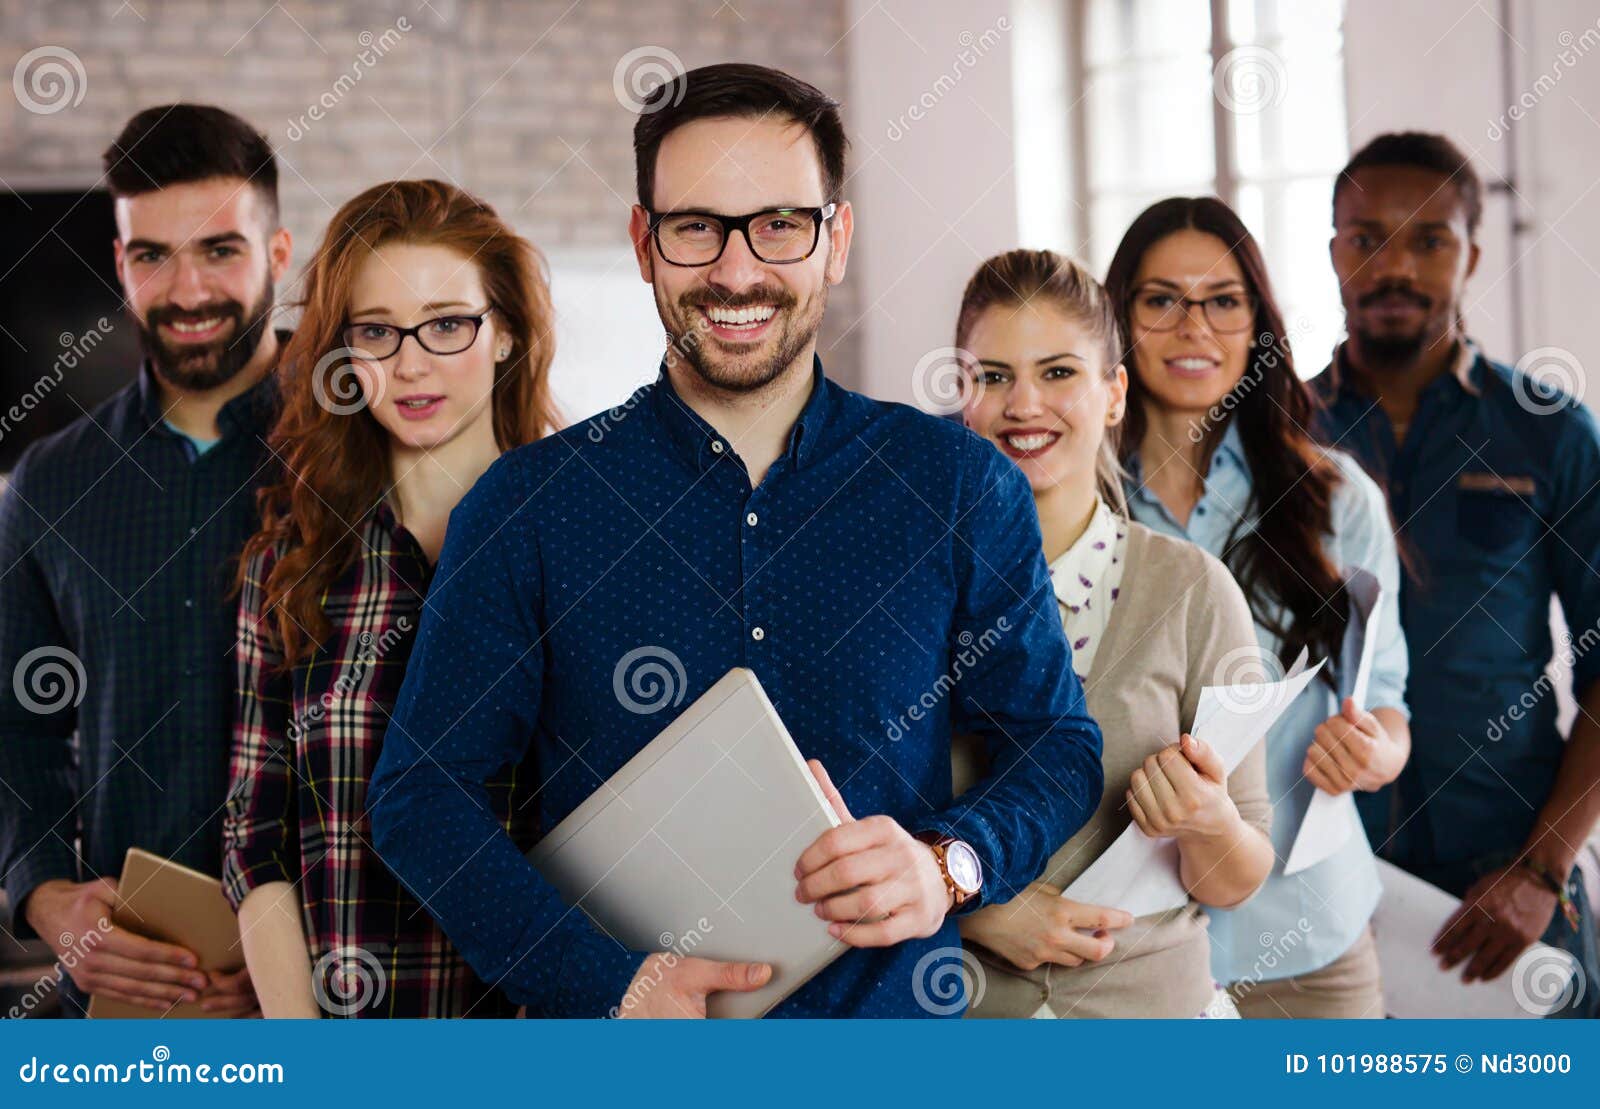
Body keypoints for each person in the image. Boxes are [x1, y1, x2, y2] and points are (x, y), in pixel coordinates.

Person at [367, 63, 1104, 1019]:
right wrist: (610, 982)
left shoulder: (958, 485)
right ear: (645, 242)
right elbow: (421, 795)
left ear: (836, 240)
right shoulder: (527, 507)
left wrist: (951, 863)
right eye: (696, 227)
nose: (737, 270)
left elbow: (1055, 744)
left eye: (780, 224)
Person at [222, 179, 560, 1018]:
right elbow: (253, 840)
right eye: (376, 331)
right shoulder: (290, 570)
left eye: (448, 323)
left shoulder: (586, 548)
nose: (411, 364)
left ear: (507, 331)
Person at [0, 104, 290, 1017]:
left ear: (278, 254)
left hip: (328, 988)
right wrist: (47, 897)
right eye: (151, 255)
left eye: (219, 250)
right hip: (125, 992)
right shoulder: (48, 483)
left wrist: (306, 951)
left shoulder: (360, 452)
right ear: (120, 263)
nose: (187, 289)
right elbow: (17, 730)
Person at [1105, 196, 1413, 1018]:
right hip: (1122, 952)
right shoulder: (1071, 503)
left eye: (1223, 301)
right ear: (1120, 322)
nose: (1192, 326)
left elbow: (1388, 704)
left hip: (1305, 941)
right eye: (1161, 300)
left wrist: (1370, 753)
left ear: (1257, 324)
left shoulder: (1339, 499)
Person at [1315, 132, 1600, 1016]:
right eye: (1367, 237)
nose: (1395, 264)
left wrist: (1543, 869)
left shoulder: (1548, 429)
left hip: (1509, 884)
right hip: (1325, 885)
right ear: (1334, 253)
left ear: (1472, 253)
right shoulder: (1281, 435)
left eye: (1428, 238)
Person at [949, 249, 1271, 1018]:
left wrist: (1207, 820)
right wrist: (973, 903)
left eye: (1058, 372)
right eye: (993, 377)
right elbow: (850, 824)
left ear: (1115, 392)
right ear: (963, 396)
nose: (1024, 403)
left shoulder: (1194, 592)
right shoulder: (906, 590)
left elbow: (1239, 870)